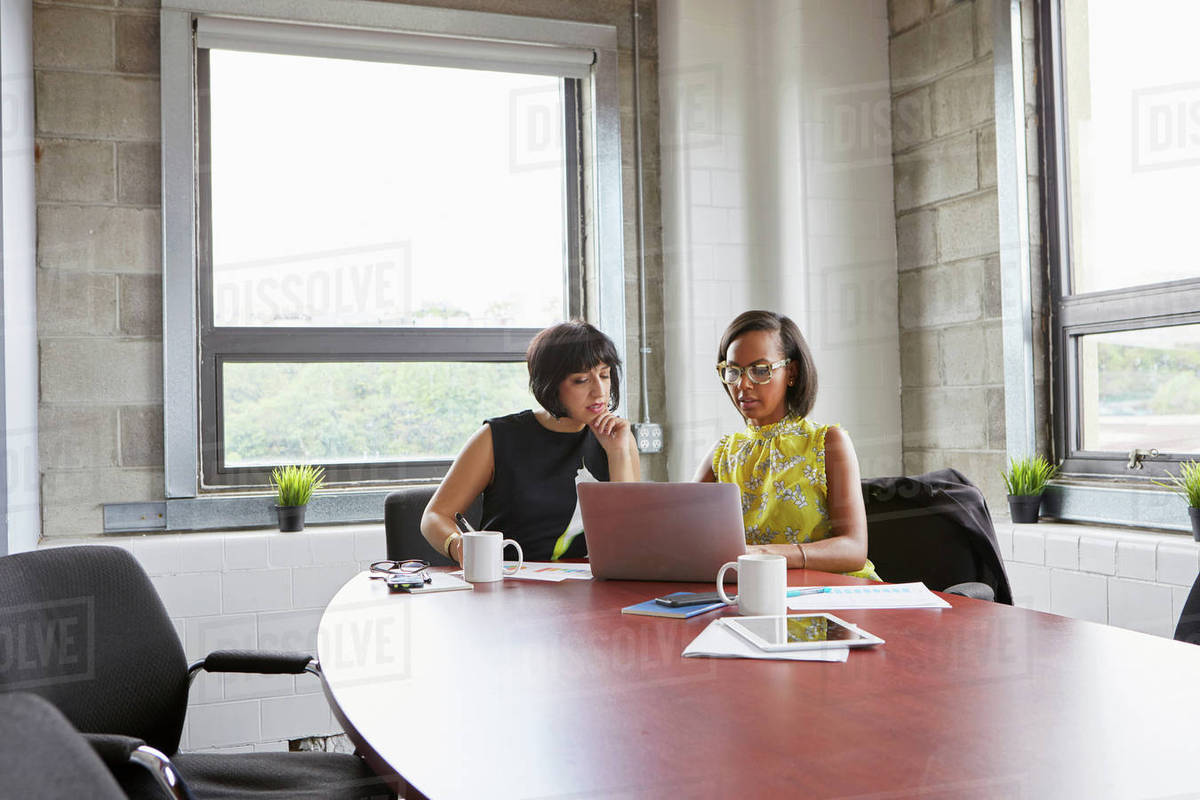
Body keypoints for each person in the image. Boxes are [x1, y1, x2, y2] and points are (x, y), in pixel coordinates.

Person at [422, 320, 641, 564]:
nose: (599, 391)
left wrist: (618, 454)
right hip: (511, 585)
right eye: (581, 380)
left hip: (591, 589)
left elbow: (629, 539)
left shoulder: (618, 437)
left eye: (604, 375)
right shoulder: (496, 438)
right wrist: (458, 545)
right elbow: (435, 516)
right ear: (550, 383)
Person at [694, 310, 879, 580]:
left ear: (791, 372)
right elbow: (683, 536)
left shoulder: (828, 442)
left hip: (832, 597)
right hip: (750, 595)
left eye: (760, 370)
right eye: (733, 371)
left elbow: (853, 549)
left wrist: (766, 554)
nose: (743, 385)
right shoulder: (722, 453)